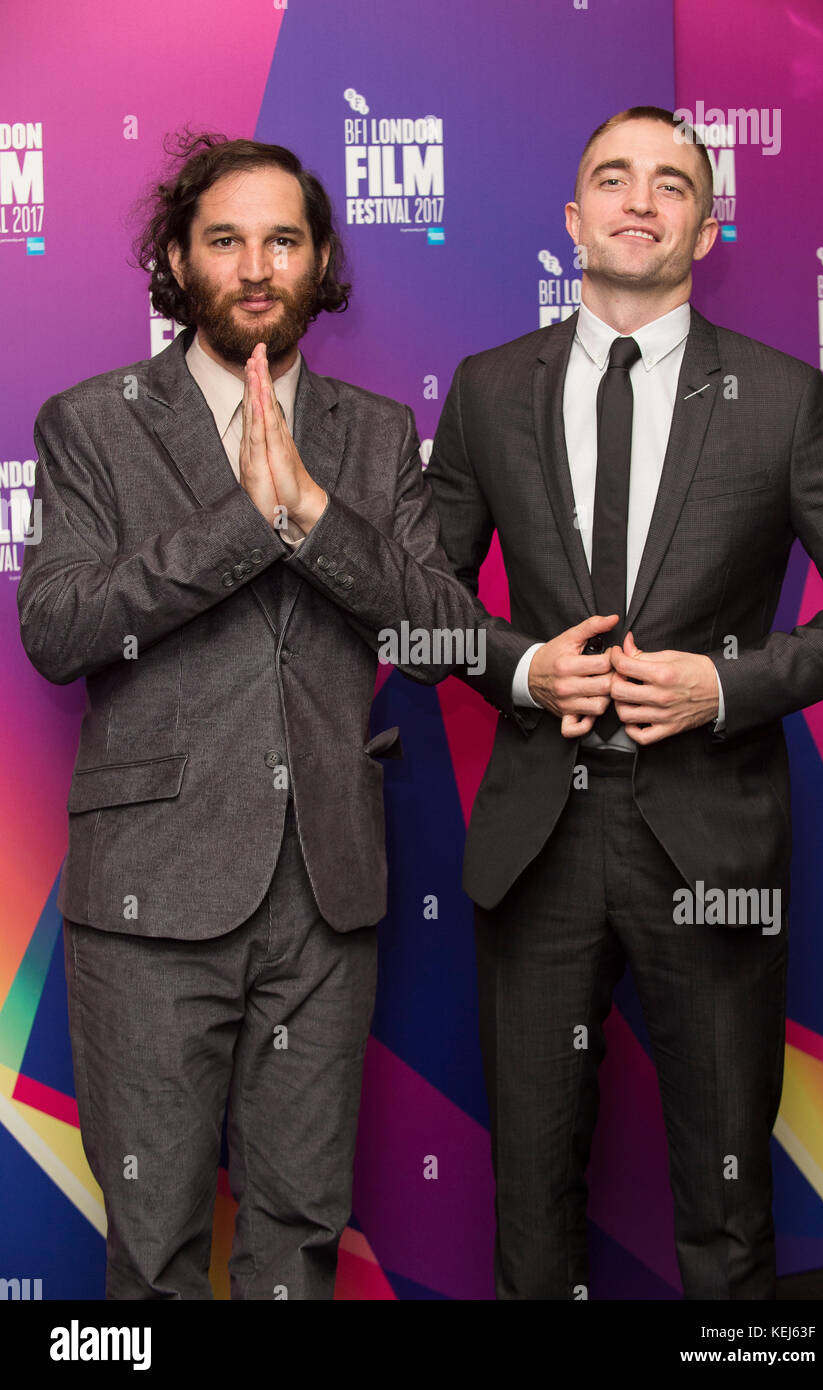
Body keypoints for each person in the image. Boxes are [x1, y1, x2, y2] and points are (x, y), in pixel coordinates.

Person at [17, 131, 476, 1300]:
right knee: (157, 1243)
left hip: (325, 895)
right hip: (151, 895)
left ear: (321, 260)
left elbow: (437, 634)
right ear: (179, 259)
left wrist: (317, 516)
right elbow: (61, 630)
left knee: (298, 1238)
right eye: (226, 240)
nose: (257, 265)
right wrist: (244, 524)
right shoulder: (92, 422)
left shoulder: (374, 435)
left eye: (284, 239)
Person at [425, 105, 823, 1299]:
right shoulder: (484, 391)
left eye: (669, 183)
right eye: (611, 179)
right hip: (537, 842)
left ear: (705, 226)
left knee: (727, 1209)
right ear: (572, 219)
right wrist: (522, 665)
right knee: (531, 1206)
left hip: (711, 837)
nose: (637, 199)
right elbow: (418, 595)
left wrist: (726, 684)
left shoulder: (780, 400)